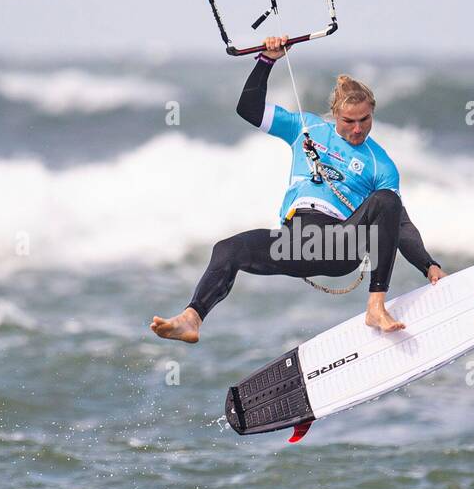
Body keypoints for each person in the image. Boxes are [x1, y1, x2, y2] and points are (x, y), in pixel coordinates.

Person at [150, 35, 445, 344]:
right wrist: (267, 60)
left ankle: (376, 305)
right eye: (349, 121)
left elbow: (399, 222)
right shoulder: (306, 127)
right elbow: (248, 108)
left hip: (341, 244)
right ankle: (191, 318)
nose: (357, 129)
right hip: (297, 243)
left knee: (385, 200)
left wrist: (429, 265)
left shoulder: (379, 163)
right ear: (334, 115)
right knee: (227, 249)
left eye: (365, 120)